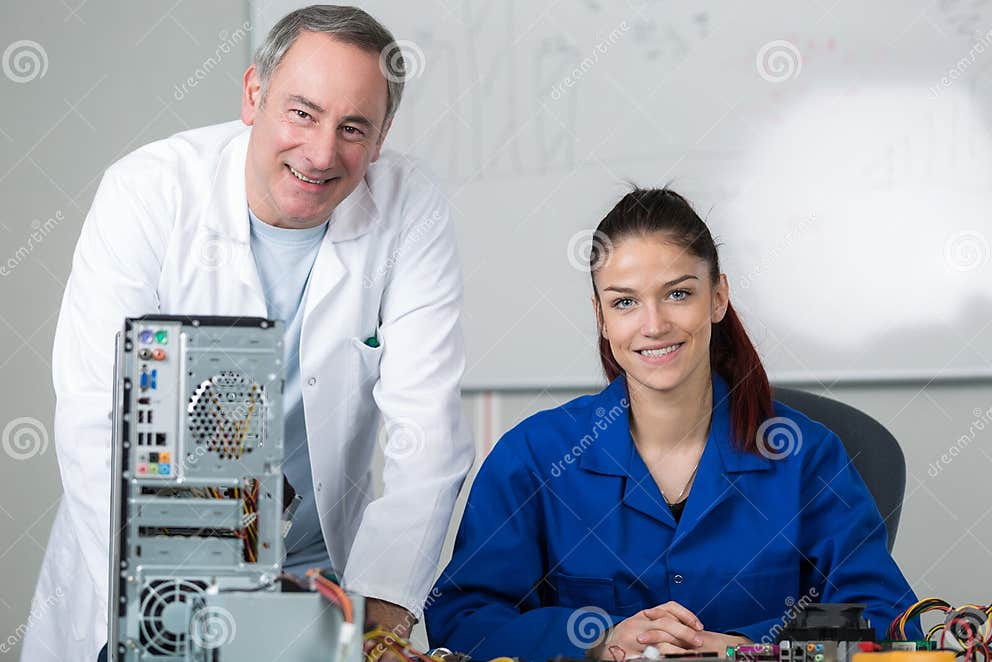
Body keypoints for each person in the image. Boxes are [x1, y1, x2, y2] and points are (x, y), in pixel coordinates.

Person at [22, 6, 474, 662]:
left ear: (381, 137)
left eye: (353, 127)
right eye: (302, 112)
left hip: (320, 574)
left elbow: (426, 427)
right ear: (253, 95)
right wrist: (163, 607)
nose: (322, 153)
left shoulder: (411, 206)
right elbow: (96, 419)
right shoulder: (149, 192)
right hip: (151, 565)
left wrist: (381, 614)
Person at [424, 188, 921, 660]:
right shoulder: (534, 456)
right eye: (625, 302)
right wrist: (597, 640)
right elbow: (462, 616)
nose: (654, 324)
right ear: (601, 316)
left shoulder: (804, 455)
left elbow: (888, 619)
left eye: (679, 294)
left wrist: (748, 649)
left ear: (718, 298)